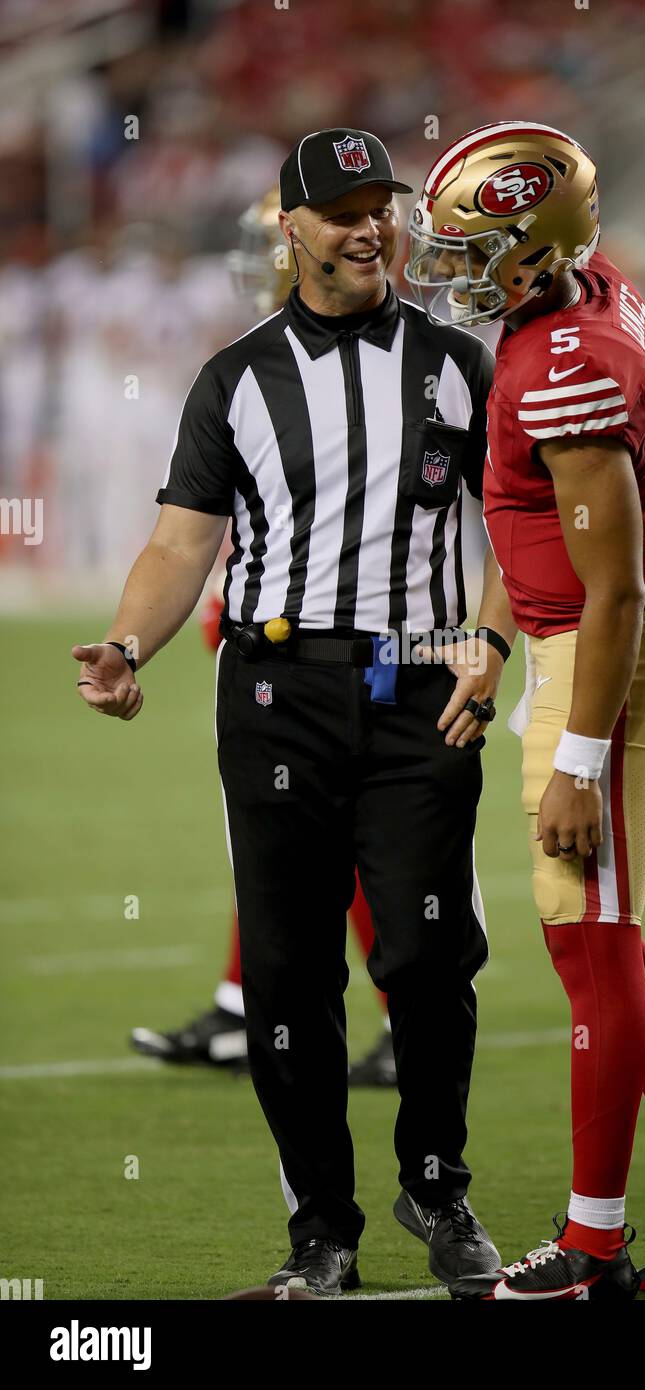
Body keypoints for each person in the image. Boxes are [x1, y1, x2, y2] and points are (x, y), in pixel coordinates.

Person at [73, 128, 515, 1298]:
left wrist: (494, 632)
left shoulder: (457, 360)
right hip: (276, 695)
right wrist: (128, 641)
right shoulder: (235, 376)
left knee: (426, 955)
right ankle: (321, 1229)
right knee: (285, 973)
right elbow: (182, 539)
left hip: (425, 686)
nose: (369, 226)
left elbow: (518, 521)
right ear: (292, 227)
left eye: (382, 205)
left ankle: (436, 1180)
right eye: (342, 209)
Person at [407, 120, 645, 1300]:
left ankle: (591, 1246)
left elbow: (609, 582)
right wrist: (491, 636)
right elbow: (544, 546)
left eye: (473, 245)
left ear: (533, 246)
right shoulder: (575, 295)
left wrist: (573, 751)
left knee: (587, 948)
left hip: (607, 663)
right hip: (581, 647)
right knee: (605, 940)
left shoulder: (565, 358)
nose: (451, 267)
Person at [130, 185, 397, 1087]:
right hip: (280, 645)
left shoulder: (408, 363)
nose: (259, 264)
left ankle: (403, 1018)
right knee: (281, 838)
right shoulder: (253, 367)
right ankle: (246, 1009)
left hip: (375, 650)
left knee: (346, 840)